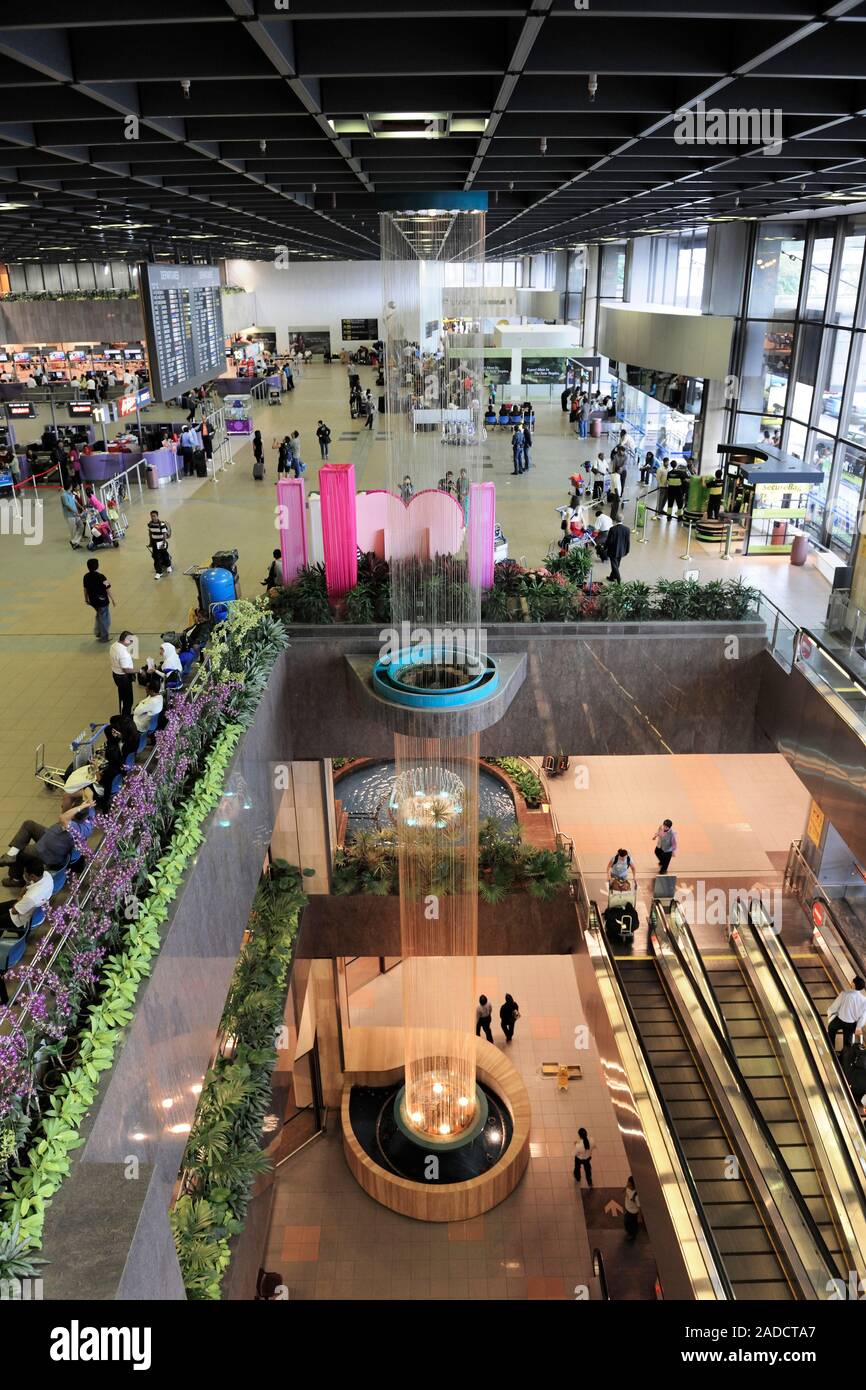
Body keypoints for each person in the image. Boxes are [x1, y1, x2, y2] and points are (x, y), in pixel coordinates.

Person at [1, 793, 94, 886]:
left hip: (48, 853)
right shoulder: (88, 813)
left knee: (20, 853)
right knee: (29, 824)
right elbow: (88, 790)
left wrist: (78, 808)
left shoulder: (78, 828)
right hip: (53, 837)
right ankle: (10, 855)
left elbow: (62, 817)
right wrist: (88, 802)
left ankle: (16, 879)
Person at [827, 978, 866, 1051]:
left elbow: (834, 1007)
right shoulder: (864, 1000)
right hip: (851, 1024)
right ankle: (845, 1057)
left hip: (840, 1020)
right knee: (848, 1043)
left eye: (852, 982)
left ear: (853, 984)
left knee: (831, 1029)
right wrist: (858, 1026)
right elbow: (863, 1016)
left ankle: (831, 1050)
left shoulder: (844, 994)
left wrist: (829, 1014)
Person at [82, 556, 115, 643]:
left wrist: (86, 599)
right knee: (105, 619)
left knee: (99, 615)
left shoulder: (86, 576)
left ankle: (98, 632)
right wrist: (113, 599)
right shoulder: (101, 577)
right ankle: (104, 637)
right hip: (102, 601)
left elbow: (85, 589)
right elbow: (107, 588)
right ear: (97, 566)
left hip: (93, 601)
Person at [110, 630, 136, 716]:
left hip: (116, 674)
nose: (132, 642)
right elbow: (126, 670)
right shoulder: (123, 653)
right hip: (123, 678)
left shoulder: (114, 645)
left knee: (122, 695)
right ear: (125, 640)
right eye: (131, 641)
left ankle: (122, 713)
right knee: (128, 701)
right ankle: (125, 718)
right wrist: (138, 670)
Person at [147, 509, 172, 579]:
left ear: (157, 516)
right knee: (156, 557)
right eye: (151, 516)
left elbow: (164, 533)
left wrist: (163, 543)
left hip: (161, 542)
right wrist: (150, 543)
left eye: (154, 516)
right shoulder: (150, 524)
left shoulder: (162, 524)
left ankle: (168, 566)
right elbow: (150, 533)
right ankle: (159, 572)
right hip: (155, 543)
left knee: (165, 555)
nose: (153, 517)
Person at [605, 517, 630, 584]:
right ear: (622, 520)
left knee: (614, 565)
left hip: (613, 550)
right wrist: (627, 550)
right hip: (622, 550)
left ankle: (619, 579)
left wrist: (605, 547)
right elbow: (628, 541)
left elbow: (609, 541)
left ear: (615, 520)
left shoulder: (612, 529)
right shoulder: (627, 529)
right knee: (617, 564)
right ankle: (611, 577)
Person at [624, 1176, 641, 1242]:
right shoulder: (628, 1188)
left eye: (629, 1183)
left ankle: (632, 1234)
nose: (627, 1184)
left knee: (630, 1223)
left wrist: (639, 1217)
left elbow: (639, 1206)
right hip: (628, 1209)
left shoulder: (636, 1196)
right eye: (628, 1182)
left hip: (632, 1212)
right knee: (628, 1222)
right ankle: (631, 1232)